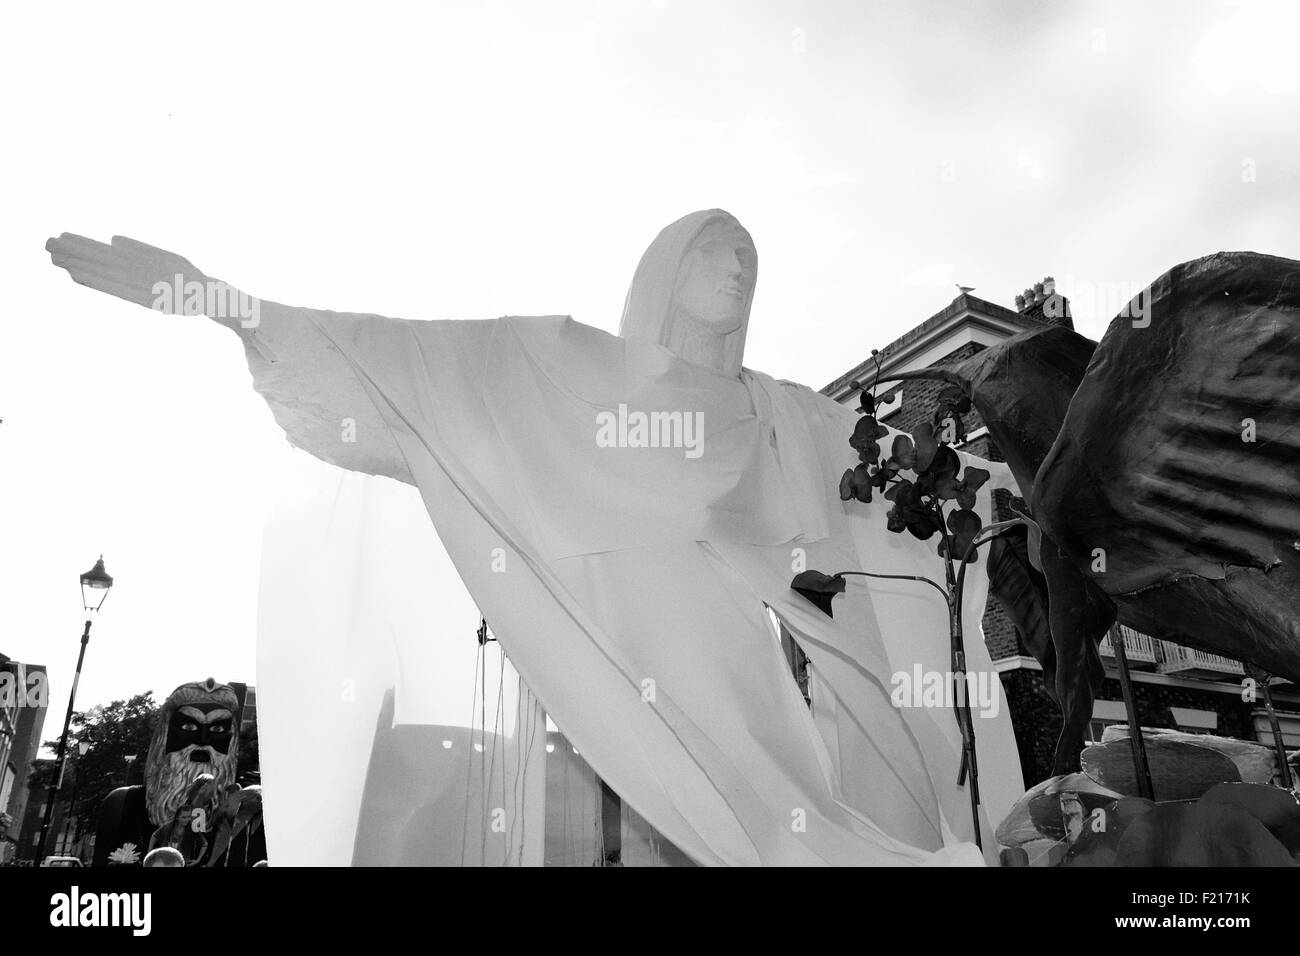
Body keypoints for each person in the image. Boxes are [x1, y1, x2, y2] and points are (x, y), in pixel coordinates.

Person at [47, 211, 1023, 865]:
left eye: (749, 260)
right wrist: (213, 295)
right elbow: (405, 362)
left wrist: (977, 479)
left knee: (793, 833)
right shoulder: (562, 371)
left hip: (732, 679)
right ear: (666, 271)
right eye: (715, 250)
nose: (736, 269)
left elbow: (879, 485)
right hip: (600, 677)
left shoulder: (775, 414)